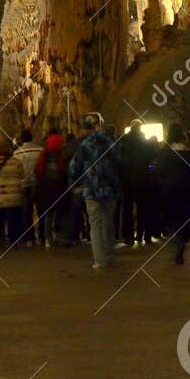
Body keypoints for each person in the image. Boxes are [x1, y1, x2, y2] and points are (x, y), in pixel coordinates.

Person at [68, 113, 122, 269]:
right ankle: (110, 255)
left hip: (92, 189)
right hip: (110, 189)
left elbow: (74, 166)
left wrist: (74, 184)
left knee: (95, 225)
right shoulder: (112, 143)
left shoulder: (85, 145)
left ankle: (100, 260)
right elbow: (121, 162)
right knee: (108, 223)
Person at [154, 130, 190, 264]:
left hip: (170, 189)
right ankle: (183, 237)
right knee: (185, 215)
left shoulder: (166, 153)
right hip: (186, 190)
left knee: (173, 215)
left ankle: (178, 238)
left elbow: (160, 170)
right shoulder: (189, 153)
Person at [33, 124, 69, 247]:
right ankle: (61, 237)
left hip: (46, 188)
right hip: (60, 187)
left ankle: (48, 239)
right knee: (61, 213)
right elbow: (65, 170)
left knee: (48, 214)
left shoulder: (44, 154)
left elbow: (38, 171)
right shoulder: (62, 153)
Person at [0, 141, 26, 244]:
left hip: (0, 195)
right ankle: (14, 239)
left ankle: (0, 237)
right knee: (14, 218)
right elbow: (22, 175)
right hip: (14, 194)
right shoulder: (16, 162)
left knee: (0, 217)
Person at [13, 129, 44, 245]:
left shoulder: (16, 154)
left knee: (27, 212)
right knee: (41, 211)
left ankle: (29, 238)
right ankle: (42, 236)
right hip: (38, 183)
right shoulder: (40, 150)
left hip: (24, 184)